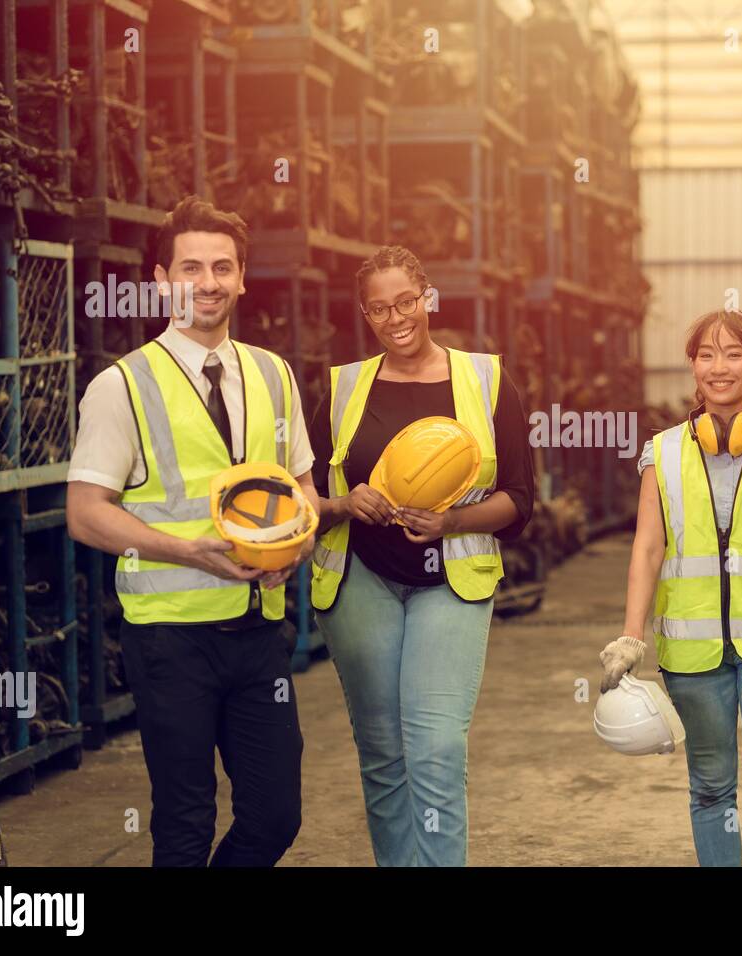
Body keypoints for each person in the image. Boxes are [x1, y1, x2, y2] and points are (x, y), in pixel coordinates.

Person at [66, 195, 314, 866]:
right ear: (160, 279)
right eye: (191, 267)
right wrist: (187, 552)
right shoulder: (122, 385)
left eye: (223, 267)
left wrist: (300, 540)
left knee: (275, 815)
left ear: (241, 278)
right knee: (184, 821)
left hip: (261, 632)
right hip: (169, 638)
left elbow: (304, 490)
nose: (207, 282)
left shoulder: (274, 375)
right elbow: (86, 512)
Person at [309, 245, 535, 867]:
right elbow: (309, 494)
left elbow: (519, 498)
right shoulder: (342, 386)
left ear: (427, 297)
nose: (396, 318)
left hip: (450, 582)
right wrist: (347, 500)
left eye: (406, 301)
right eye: (379, 309)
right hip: (361, 583)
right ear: (365, 314)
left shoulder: (486, 380)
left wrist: (450, 520)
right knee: (383, 755)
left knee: (434, 748)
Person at [599, 309, 742, 866]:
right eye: (706, 355)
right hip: (692, 654)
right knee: (710, 788)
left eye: (733, 354)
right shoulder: (664, 450)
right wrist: (631, 635)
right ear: (692, 365)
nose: (719, 368)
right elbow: (648, 548)